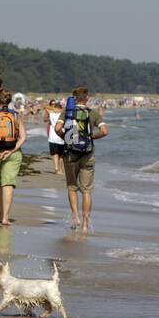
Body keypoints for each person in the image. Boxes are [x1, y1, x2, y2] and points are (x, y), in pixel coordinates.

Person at [54, 86, 107, 232]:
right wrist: (91, 137)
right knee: (87, 190)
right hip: (88, 154)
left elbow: (57, 129)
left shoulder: (67, 112)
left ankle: (75, 217)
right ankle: (85, 224)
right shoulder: (93, 113)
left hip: (70, 154)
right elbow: (104, 131)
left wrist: (66, 139)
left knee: (72, 187)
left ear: (74, 98)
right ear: (87, 98)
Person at [0, 89, 26, 226]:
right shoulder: (16, 115)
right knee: (8, 184)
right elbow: (23, 137)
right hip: (12, 153)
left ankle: (0, 214)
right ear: (9, 101)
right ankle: (5, 218)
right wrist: (12, 150)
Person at [46, 99, 66, 176]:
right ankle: (61, 170)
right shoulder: (63, 115)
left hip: (52, 137)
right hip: (61, 137)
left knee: (54, 154)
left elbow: (46, 107)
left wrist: (52, 109)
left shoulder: (51, 114)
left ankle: (56, 169)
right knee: (61, 155)